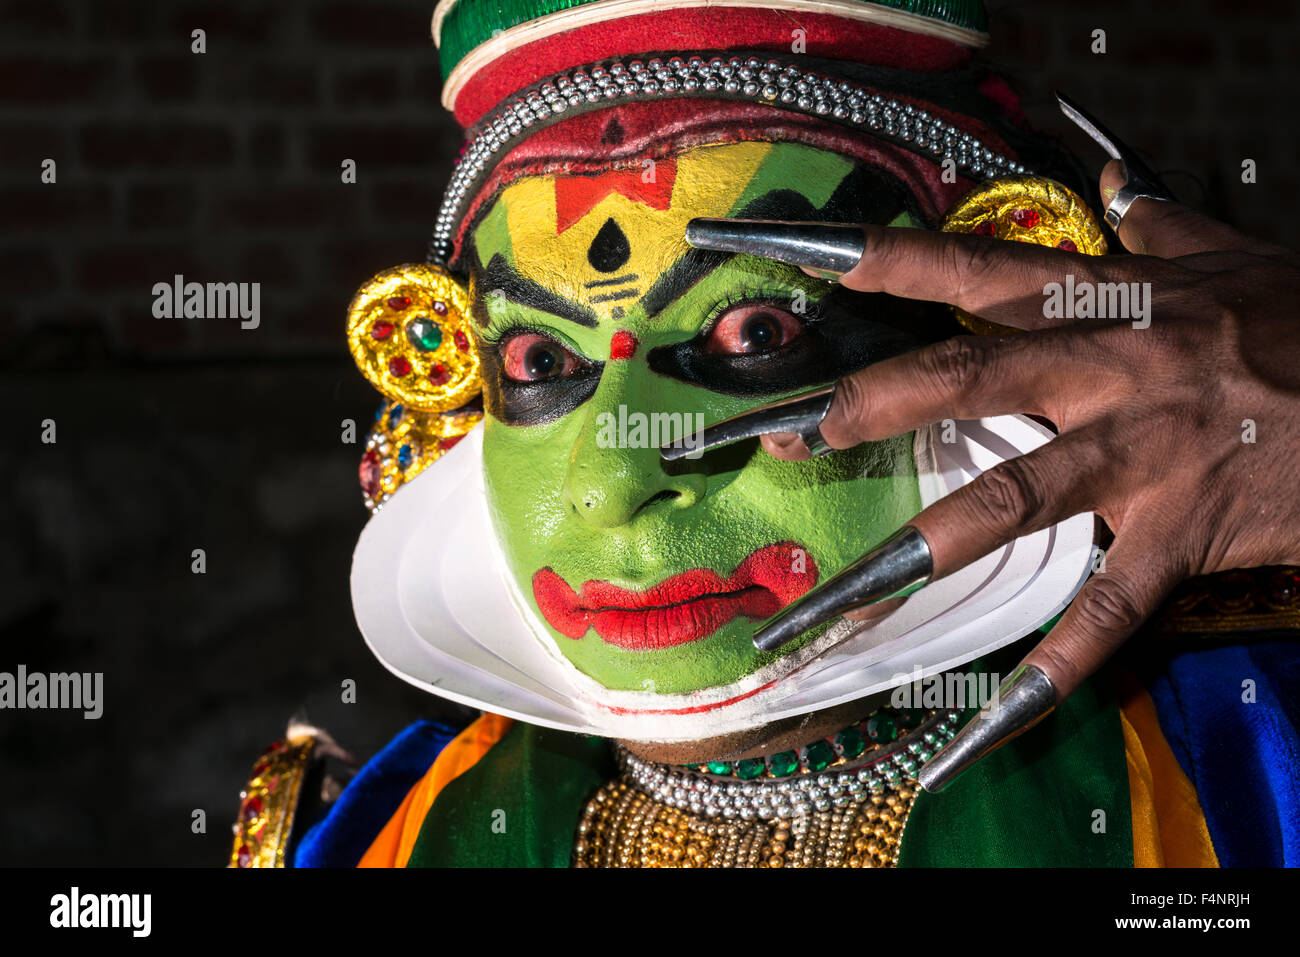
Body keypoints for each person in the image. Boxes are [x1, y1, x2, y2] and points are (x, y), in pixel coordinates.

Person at [230, 0, 1299, 868]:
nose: (612, 485)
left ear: (988, 336)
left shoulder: (1246, 757)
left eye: (755, 332)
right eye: (539, 364)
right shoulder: (374, 836)